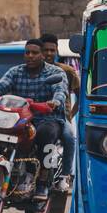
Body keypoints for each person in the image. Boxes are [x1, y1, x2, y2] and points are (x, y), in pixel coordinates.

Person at [0, 38, 69, 196]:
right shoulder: (15, 71)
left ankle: (43, 181)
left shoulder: (55, 73)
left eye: (34, 53)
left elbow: (60, 90)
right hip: (20, 119)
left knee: (45, 134)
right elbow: (1, 84)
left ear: (42, 55)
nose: (30, 56)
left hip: (47, 118)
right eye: (27, 52)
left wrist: (55, 102)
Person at [40, 34, 77, 190]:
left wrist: (70, 116)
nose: (49, 53)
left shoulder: (66, 71)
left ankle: (65, 175)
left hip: (61, 117)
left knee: (70, 137)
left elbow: (79, 94)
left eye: (52, 50)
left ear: (57, 51)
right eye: (45, 50)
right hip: (38, 116)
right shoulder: (31, 70)